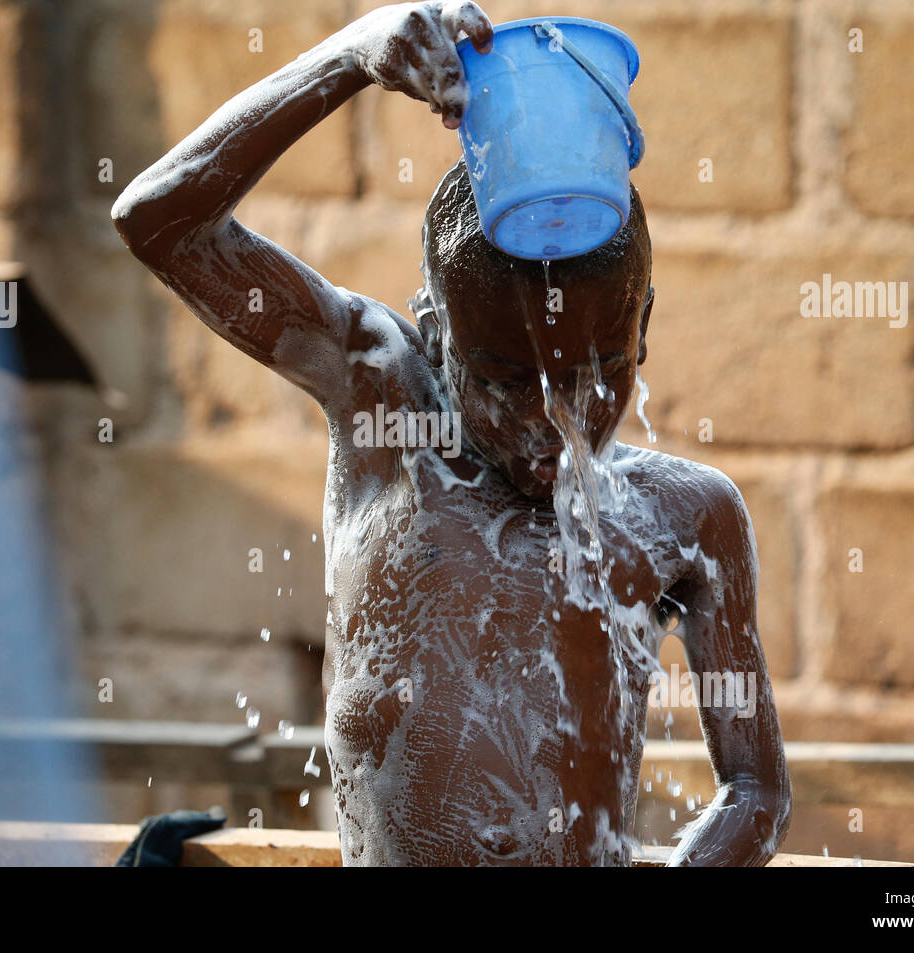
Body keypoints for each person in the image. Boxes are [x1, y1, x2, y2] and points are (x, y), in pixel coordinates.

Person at [112, 0, 790, 866]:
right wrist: (349, 58)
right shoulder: (385, 407)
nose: (559, 421)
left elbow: (758, 793)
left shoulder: (687, 520)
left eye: (601, 375)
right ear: (435, 337)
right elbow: (159, 223)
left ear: (643, 328)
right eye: (510, 383)